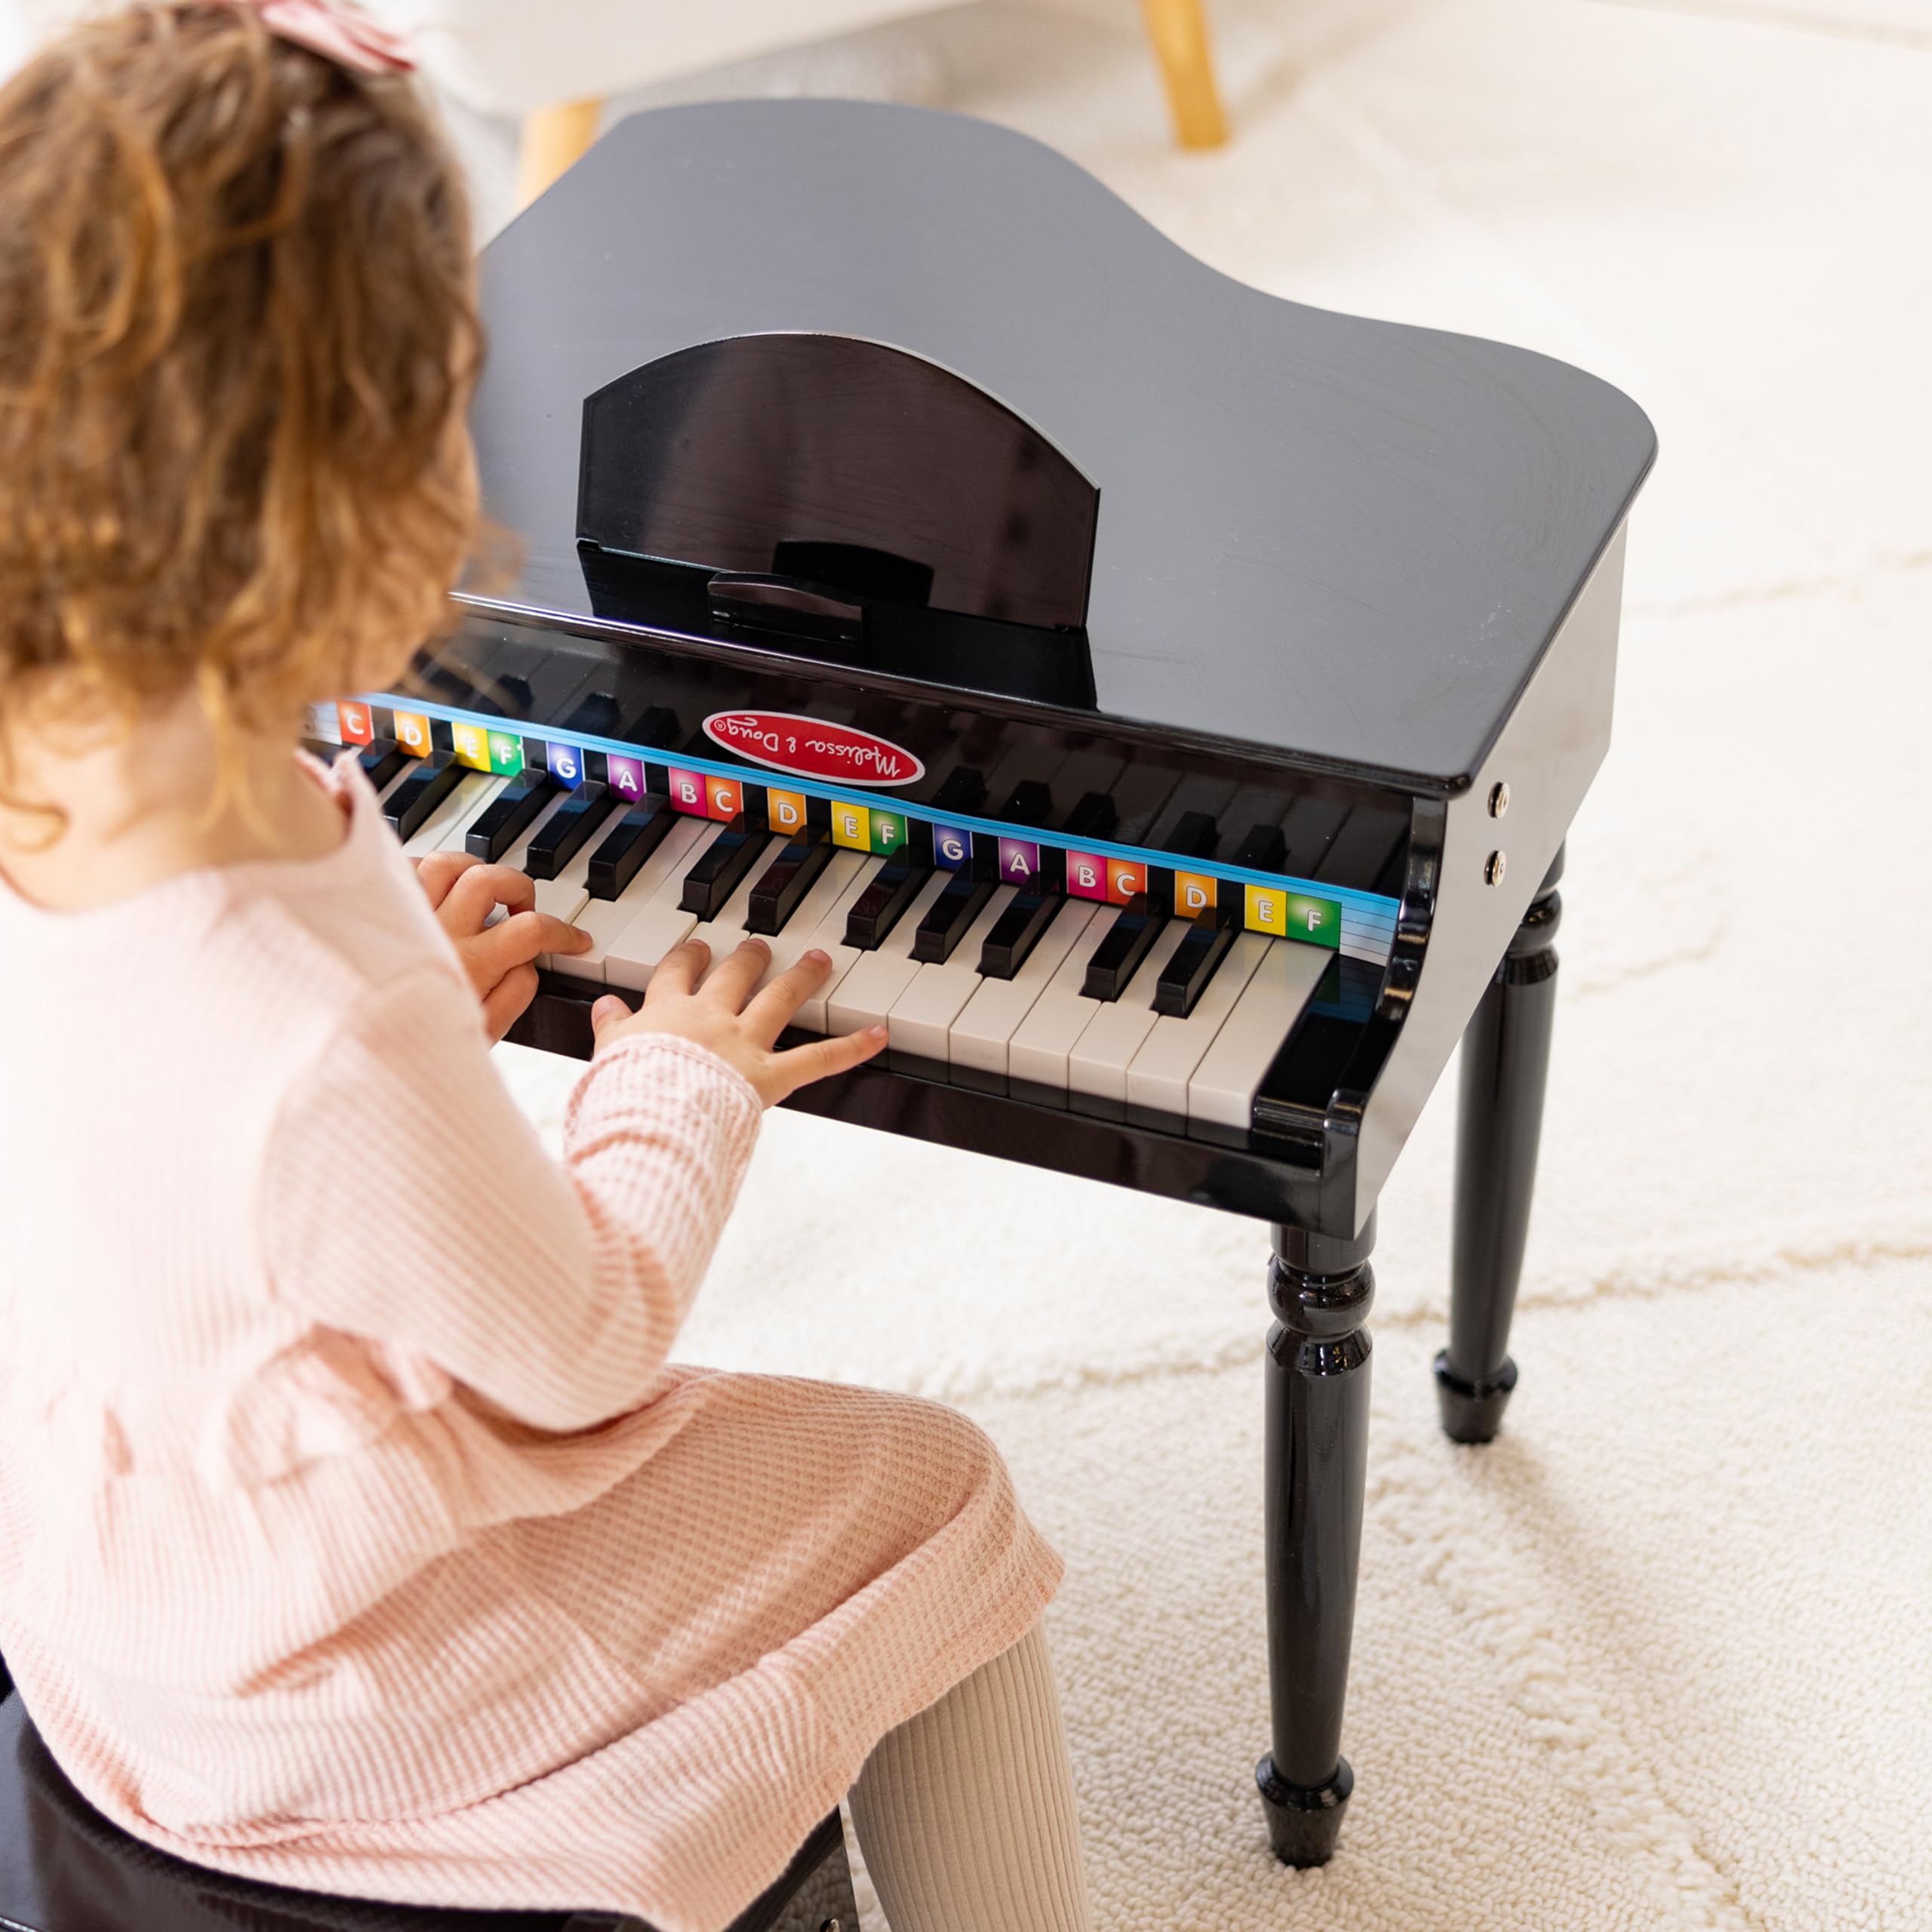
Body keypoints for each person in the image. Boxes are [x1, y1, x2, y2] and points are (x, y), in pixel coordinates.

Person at [0, 7, 1092, 1930]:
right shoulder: (313, 1038)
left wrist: (402, 968)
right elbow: (582, 1346)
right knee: (937, 1485)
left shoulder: (97, 770)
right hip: (345, 1691)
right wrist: (669, 1084)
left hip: (128, 1588)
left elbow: (169, 1153)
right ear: (353, 475)